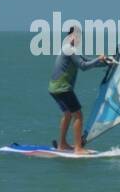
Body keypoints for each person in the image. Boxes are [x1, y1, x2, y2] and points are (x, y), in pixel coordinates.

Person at [48, 26, 111, 154]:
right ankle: (78, 148)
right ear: (69, 37)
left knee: (67, 114)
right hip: (63, 88)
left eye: (79, 37)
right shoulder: (69, 49)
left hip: (54, 88)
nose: (77, 39)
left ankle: (62, 144)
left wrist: (105, 62)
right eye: (75, 36)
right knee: (78, 115)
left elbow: (86, 61)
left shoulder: (69, 49)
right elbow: (83, 66)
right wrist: (99, 59)